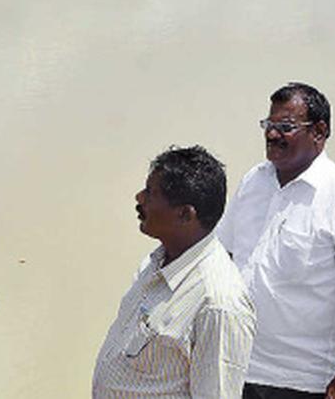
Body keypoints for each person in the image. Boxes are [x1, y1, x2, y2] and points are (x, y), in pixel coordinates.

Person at [216, 83, 335, 399]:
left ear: (319, 132)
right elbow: (223, 256)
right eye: (269, 125)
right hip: (236, 366)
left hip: (302, 381)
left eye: (286, 127)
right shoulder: (254, 181)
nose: (272, 135)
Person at [93, 145, 257, 398]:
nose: (139, 198)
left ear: (185, 214)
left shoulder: (218, 303)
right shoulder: (155, 263)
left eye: (150, 193)